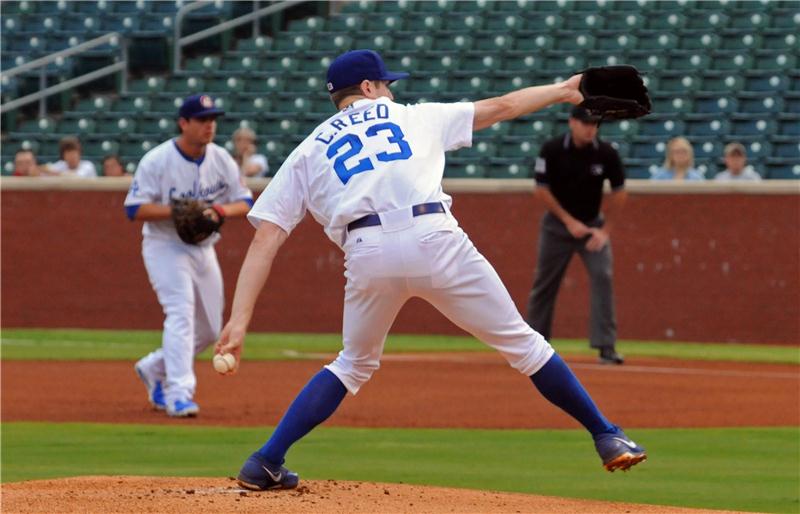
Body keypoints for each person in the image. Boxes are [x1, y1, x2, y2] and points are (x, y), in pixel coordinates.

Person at [214, 49, 646, 491]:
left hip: (367, 250)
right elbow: (503, 106)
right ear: (368, 87)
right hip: (433, 237)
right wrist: (564, 90)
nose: (390, 91)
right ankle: (606, 435)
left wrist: (239, 319)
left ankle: (266, 460)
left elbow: (267, 237)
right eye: (386, 84)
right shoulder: (413, 116)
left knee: (352, 365)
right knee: (525, 345)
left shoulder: (309, 148)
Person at [124, 94, 254, 417]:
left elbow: (245, 201)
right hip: (164, 246)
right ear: (184, 123)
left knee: (210, 330)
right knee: (180, 312)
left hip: (204, 248)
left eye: (213, 120)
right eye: (202, 120)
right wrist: (177, 211)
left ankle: (155, 367)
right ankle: (178, 393)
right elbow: (134, 208)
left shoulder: (221, 159)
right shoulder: (157, 160)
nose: (210, 126)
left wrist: (219, 210)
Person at [526, 106, 627, 366]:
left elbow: (619, 191)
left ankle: (606, 346)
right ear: (572, 122)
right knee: (544, 283)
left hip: (592, 227)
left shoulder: (607, 153)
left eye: (594, 124)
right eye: (585, 123)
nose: (590, 128)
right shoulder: (552, 149)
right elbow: (541, 189)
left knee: (603, 276)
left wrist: (605, 231)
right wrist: (568, 222)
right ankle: (533, 346)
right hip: (557, 227)